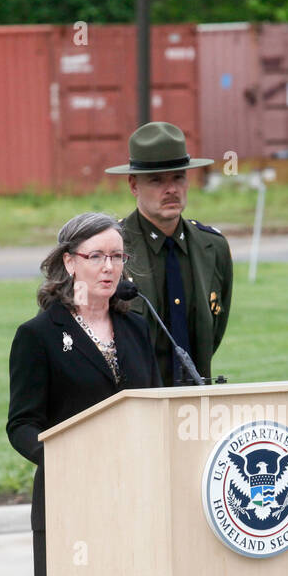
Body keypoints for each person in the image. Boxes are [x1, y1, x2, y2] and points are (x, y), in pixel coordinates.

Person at [6, 212, 162, 576]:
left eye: (117, 256)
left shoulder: (138, 328)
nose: (109, 267)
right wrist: (67, 460)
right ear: (70, 262)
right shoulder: (40, 335)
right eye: (97, 256)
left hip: (135, 501)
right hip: (71, 504)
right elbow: (21, 424)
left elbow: (157, 406)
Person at [106, 121, 233, 386]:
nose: (171, 189)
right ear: (133, 185)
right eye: (156, 180)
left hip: (196, 404)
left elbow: (213, 332)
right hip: (130, 403)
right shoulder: (110, 249)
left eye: (178, 177)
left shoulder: (212, 247)